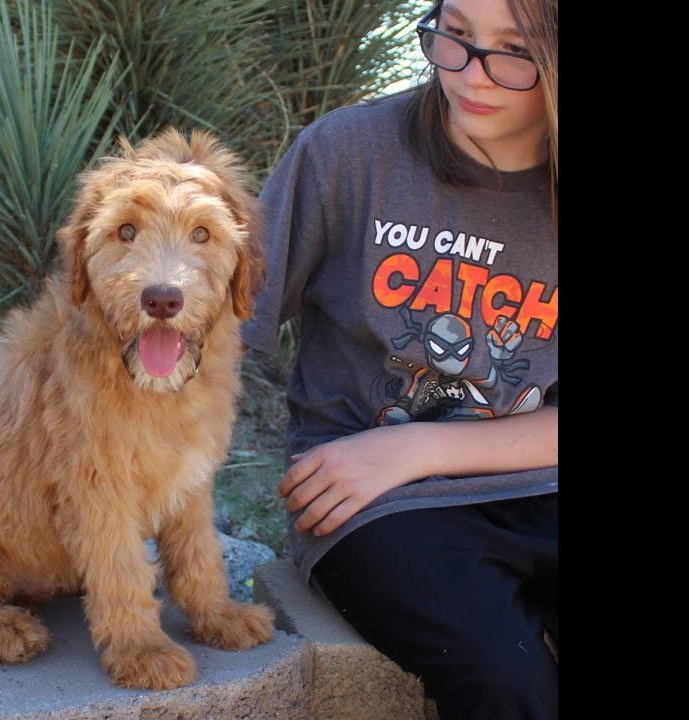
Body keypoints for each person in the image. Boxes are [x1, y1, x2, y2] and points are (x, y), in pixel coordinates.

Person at [239, 0, 558, 717]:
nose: (472, 74)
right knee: (506, 679)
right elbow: (217, 322)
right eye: (456, 35)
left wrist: (418, 444)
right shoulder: (348, 154)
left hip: (531, 477)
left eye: (513, 49)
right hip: (371, 498)